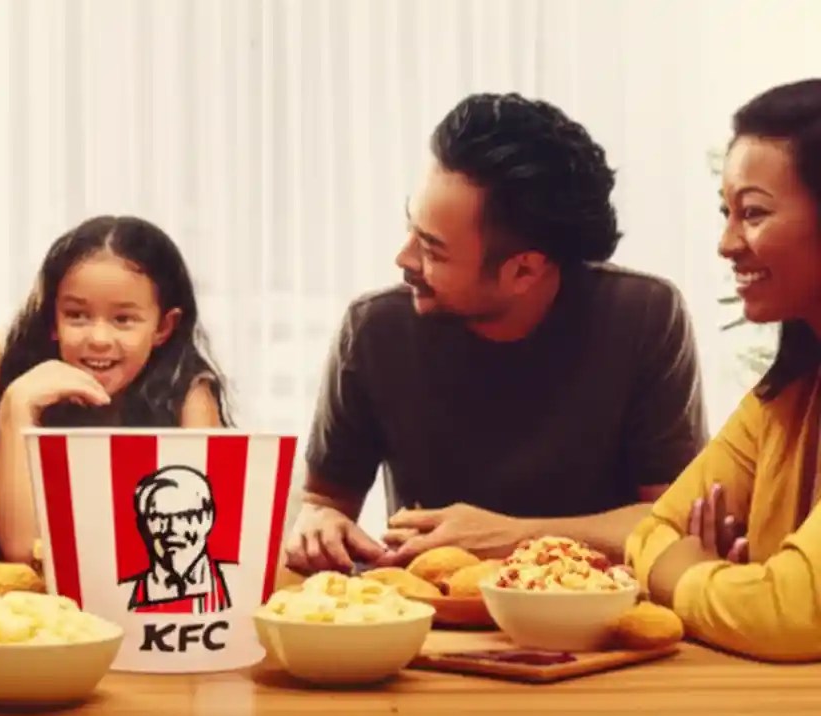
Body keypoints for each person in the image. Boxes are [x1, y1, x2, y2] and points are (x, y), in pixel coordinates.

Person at [286, 92, 707, 574]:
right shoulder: (374, 329)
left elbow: (671, 524)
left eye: (432, 250)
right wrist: (318, 523)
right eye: (411, 229)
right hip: (429, 625)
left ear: (524, 271)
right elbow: (324, 501)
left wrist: (513, 538)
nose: (403, 260)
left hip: (592, 619)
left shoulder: (643, 317)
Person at [627, 79, 821, 662]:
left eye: (753, 213)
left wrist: (689, 579)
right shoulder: (786, 396)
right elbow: (651, 532)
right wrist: (729, 591)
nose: (726, 243)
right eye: (726, 213)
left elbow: (791, 614)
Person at [0, 215, 230, 563]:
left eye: (123, 320)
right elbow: (25, 552)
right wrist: (17, 408)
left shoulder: (186, 394)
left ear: (163, 327)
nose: (98, 339)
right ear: (52, 320)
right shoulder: (29, 390)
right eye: (77, 315)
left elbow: (203, 545)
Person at [122, 465, 233, 613]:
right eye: (160, 518)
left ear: (208, 518)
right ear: (143, 525)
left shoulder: (237, 583)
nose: (173, 528)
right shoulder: (122, 595)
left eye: (186, 516)